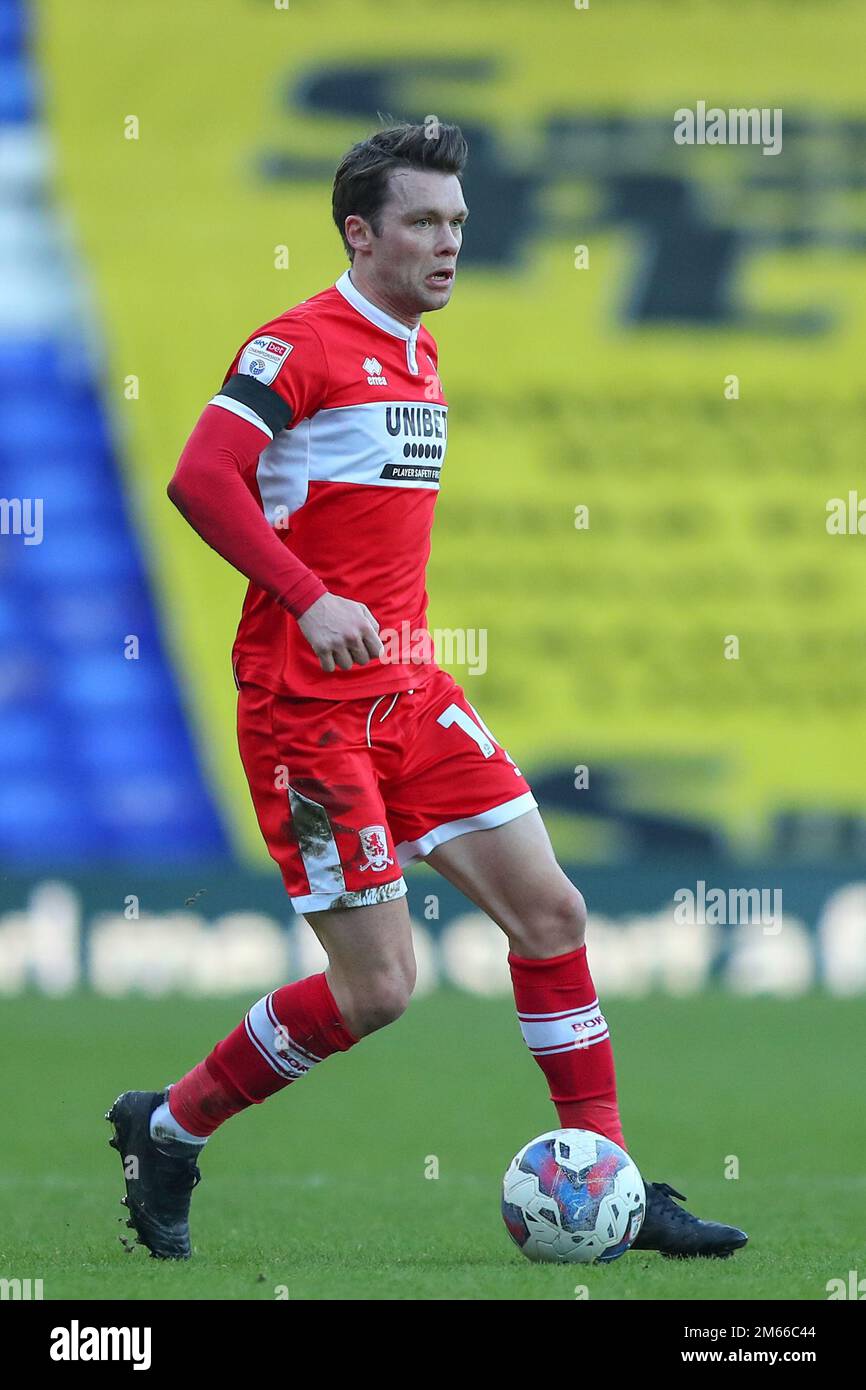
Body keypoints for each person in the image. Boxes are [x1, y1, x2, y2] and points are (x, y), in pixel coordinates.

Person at [107, 121, 747, 1263]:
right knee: (378, 990)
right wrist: (307, 596)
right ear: (360, 233)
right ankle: (168, 1126)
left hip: (408, 691)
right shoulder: (296, 344)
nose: (447, 242)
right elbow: (199, 476)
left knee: (549, 913)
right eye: (422, 222)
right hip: (305, 710)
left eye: (456, 222)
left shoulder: (414, 348)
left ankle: (612, 1187)